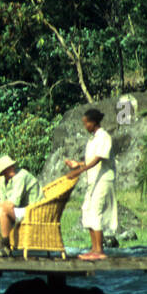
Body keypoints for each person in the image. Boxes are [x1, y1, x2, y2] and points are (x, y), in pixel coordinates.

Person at [65, 108, 118, 260]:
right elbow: (89, 161)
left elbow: (98, 159)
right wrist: (77, 164)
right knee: (87, 211)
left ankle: (99, 251)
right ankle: (93, 249)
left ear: (94, 122)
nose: (85, 126)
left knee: (96, 212)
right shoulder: (92, 139)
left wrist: (79, 171)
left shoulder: (104, 137)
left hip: (103, 180)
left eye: (86, 123)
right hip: (93, 180)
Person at [0, 155, 40, 255]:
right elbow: (3, 201)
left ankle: (6, 247)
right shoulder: (2, 181)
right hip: (17, 210)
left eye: (11, 166)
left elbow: (12, 203)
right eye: (7, 168)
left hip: (32, 210)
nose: (11, 169)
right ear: (3, 172)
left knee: (1, 211)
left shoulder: (21, 176)